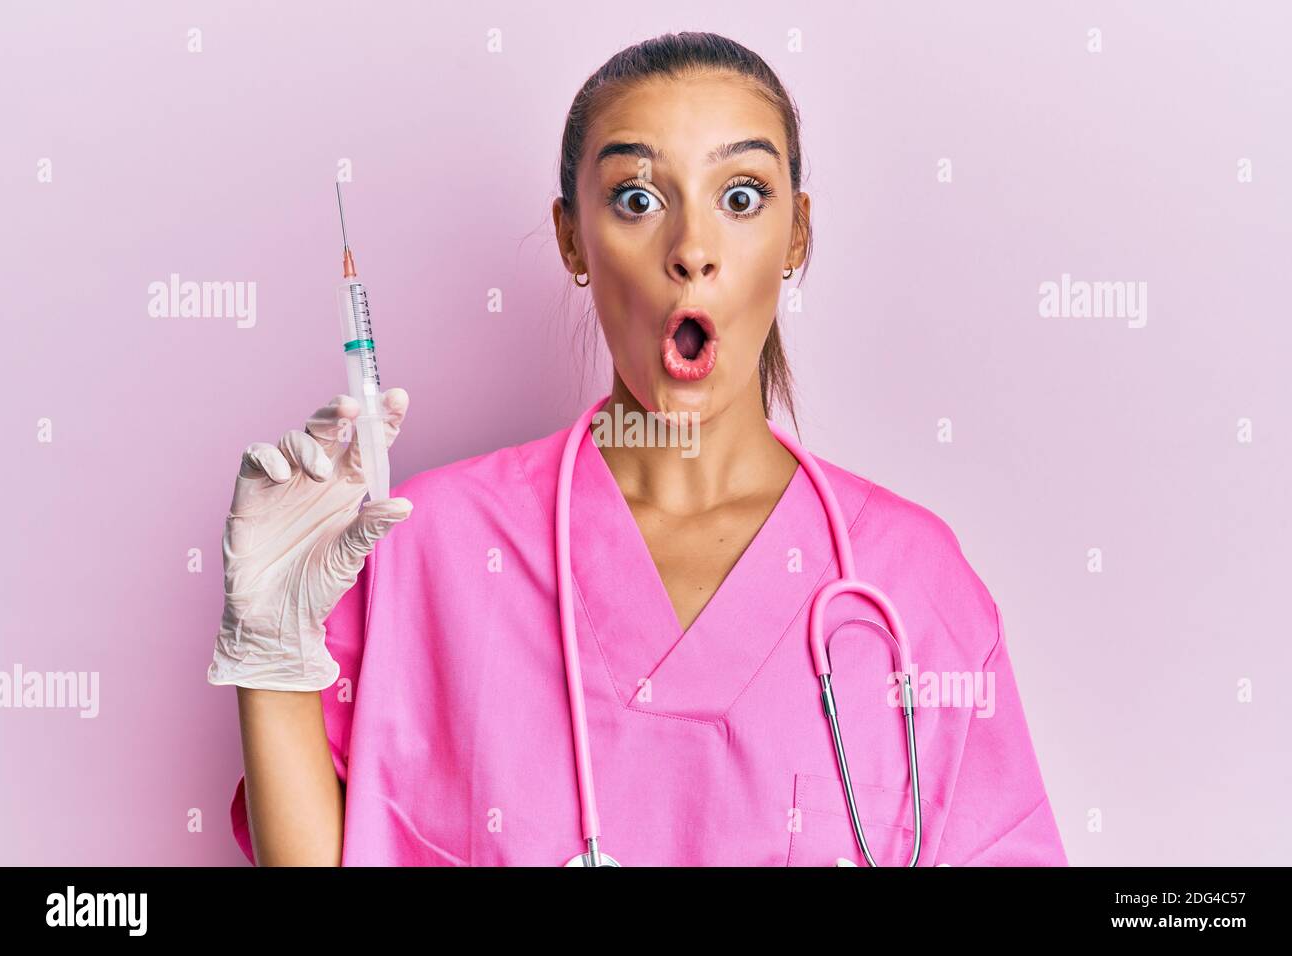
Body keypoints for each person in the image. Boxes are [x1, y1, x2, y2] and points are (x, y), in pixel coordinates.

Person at [207, 31, 1068, 867]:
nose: (691, 252)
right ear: (572, 238)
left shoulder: (911, 582)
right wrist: (269, 656)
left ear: (796, 235)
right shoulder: (426, 546)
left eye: (741, 197)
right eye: (636, 199)